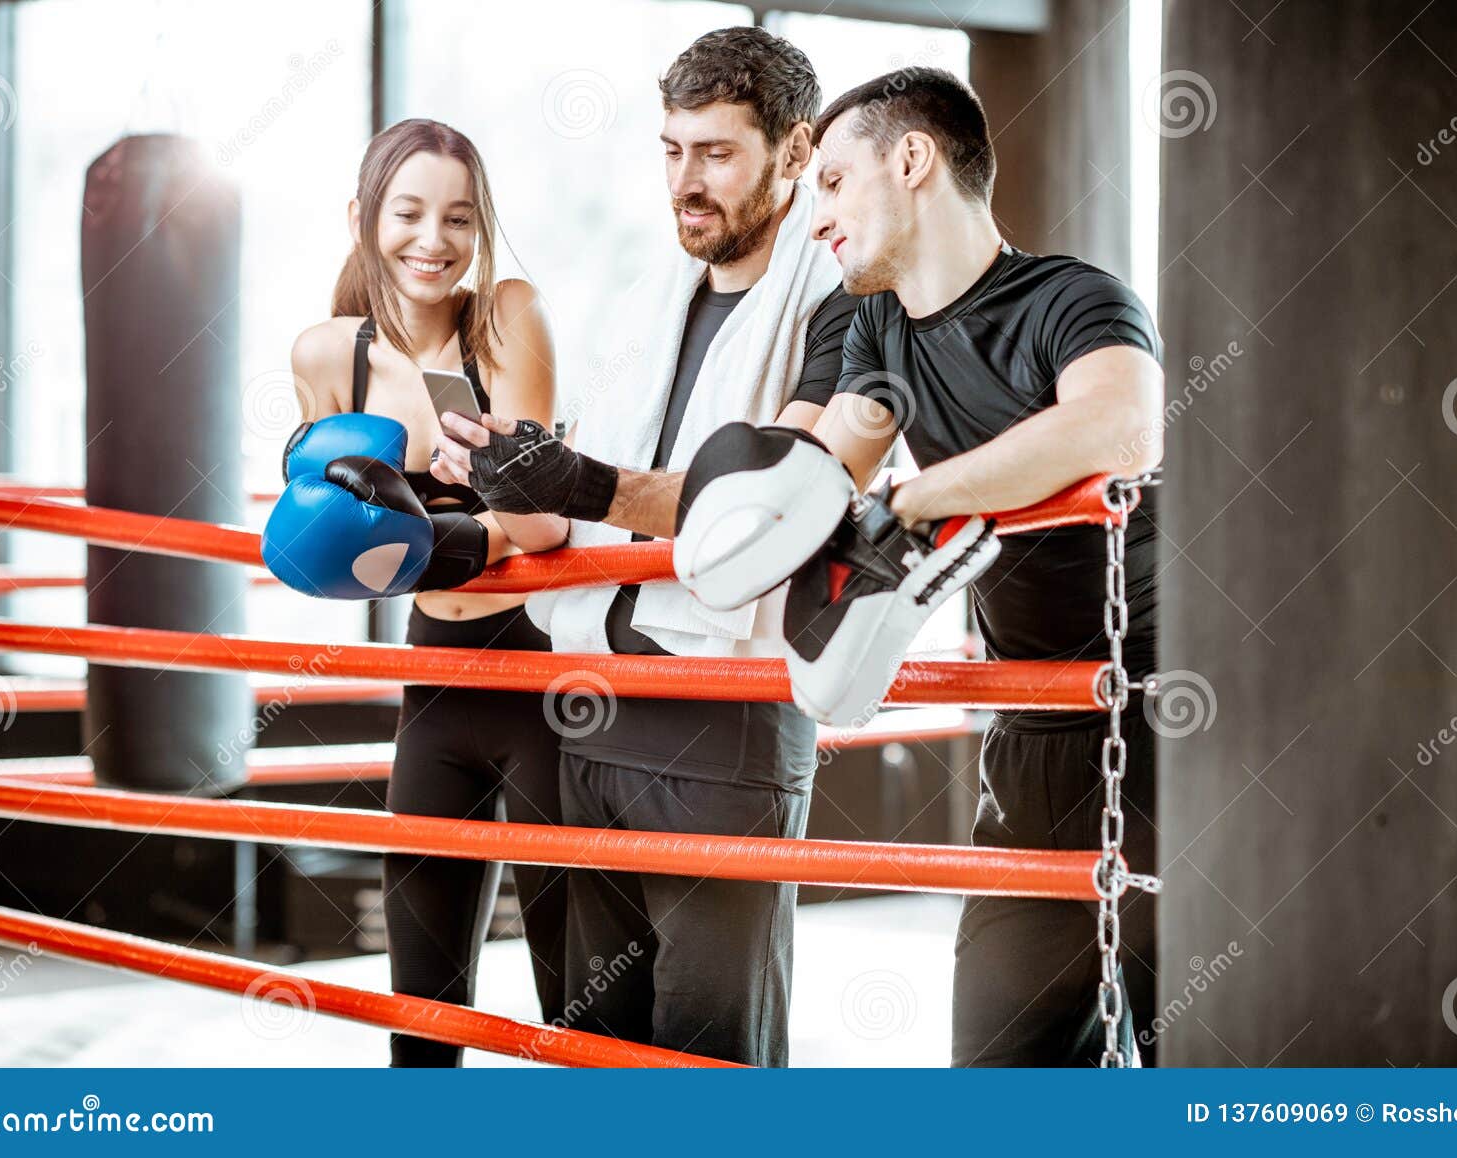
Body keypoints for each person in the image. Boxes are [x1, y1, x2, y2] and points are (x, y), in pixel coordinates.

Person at [431, 27, 858, 1067]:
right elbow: (594, 481)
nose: (686, 181)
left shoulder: (844, 304)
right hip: (590, 700)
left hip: (724, 711)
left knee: (713, 1051)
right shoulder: (642, 302)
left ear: (795, 155)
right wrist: (505, 470)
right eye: (671, 150)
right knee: (595, 1045)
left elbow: (779, 496)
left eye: (715, 152)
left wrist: (577, 480)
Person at [792, 68, 1165, 1065]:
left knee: (1203, 1054)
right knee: (1000, 1068)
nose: (815, 217)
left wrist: (914, 500)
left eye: (831, 182)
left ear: (910, 158)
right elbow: (828, 470)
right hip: (1035, 736)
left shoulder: (1070, 298)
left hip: (1174, 726)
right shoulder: (876, 327)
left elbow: (1120, 425)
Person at [279, 118, 568, 1067]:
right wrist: (400, 530)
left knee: (575, 993)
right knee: (422, 1004)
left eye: (456, 217)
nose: (431, 240)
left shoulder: (508, 317)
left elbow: (544, 525)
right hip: (433, 679)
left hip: (539, 676)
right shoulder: (328, 354)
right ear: (364, 218)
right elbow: (330, 545)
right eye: (407, 213)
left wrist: (435, 526)